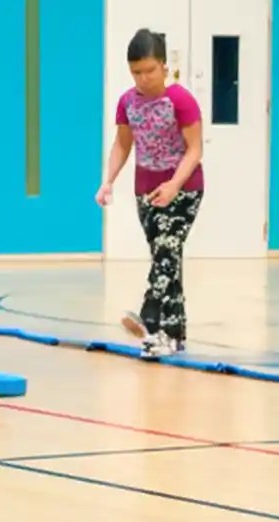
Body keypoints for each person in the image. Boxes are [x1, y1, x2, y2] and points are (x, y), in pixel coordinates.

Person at [96, 28, 204, 358]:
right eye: (136, 72)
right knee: (167, 261)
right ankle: (172, 336)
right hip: (146, 191)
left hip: (184, 189)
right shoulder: (127, 103)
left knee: (166, 253)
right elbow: (123, 144)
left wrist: (174, 185)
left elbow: (194, 150)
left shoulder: (181, 100)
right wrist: (108, 180)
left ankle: (150, 317)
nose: (143, 79)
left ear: (163, 65)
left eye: (150, 70)